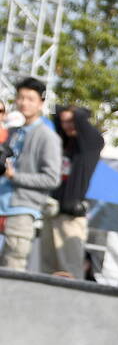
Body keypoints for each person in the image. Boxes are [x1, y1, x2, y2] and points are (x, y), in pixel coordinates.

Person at [0, 77, 62, 272]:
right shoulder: (14, 131)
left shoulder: (47, 135)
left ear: (41, 103)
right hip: (3, 204)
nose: (24, 103)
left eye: (30, 98)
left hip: (21, 210)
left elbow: (52, 178)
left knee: (12, 270)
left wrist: (14, 176)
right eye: (20, 97)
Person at [41, 105, 105, 278]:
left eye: (71, 121)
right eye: (63, 122)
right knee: (46, 267)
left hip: (71, 216)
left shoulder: (91, 143)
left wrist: (78, 114)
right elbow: (55, 113)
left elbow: (86, 127)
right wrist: (61, 114)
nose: (67, 125)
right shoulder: (63, 142)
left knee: (70, 269)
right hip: (52, 211)